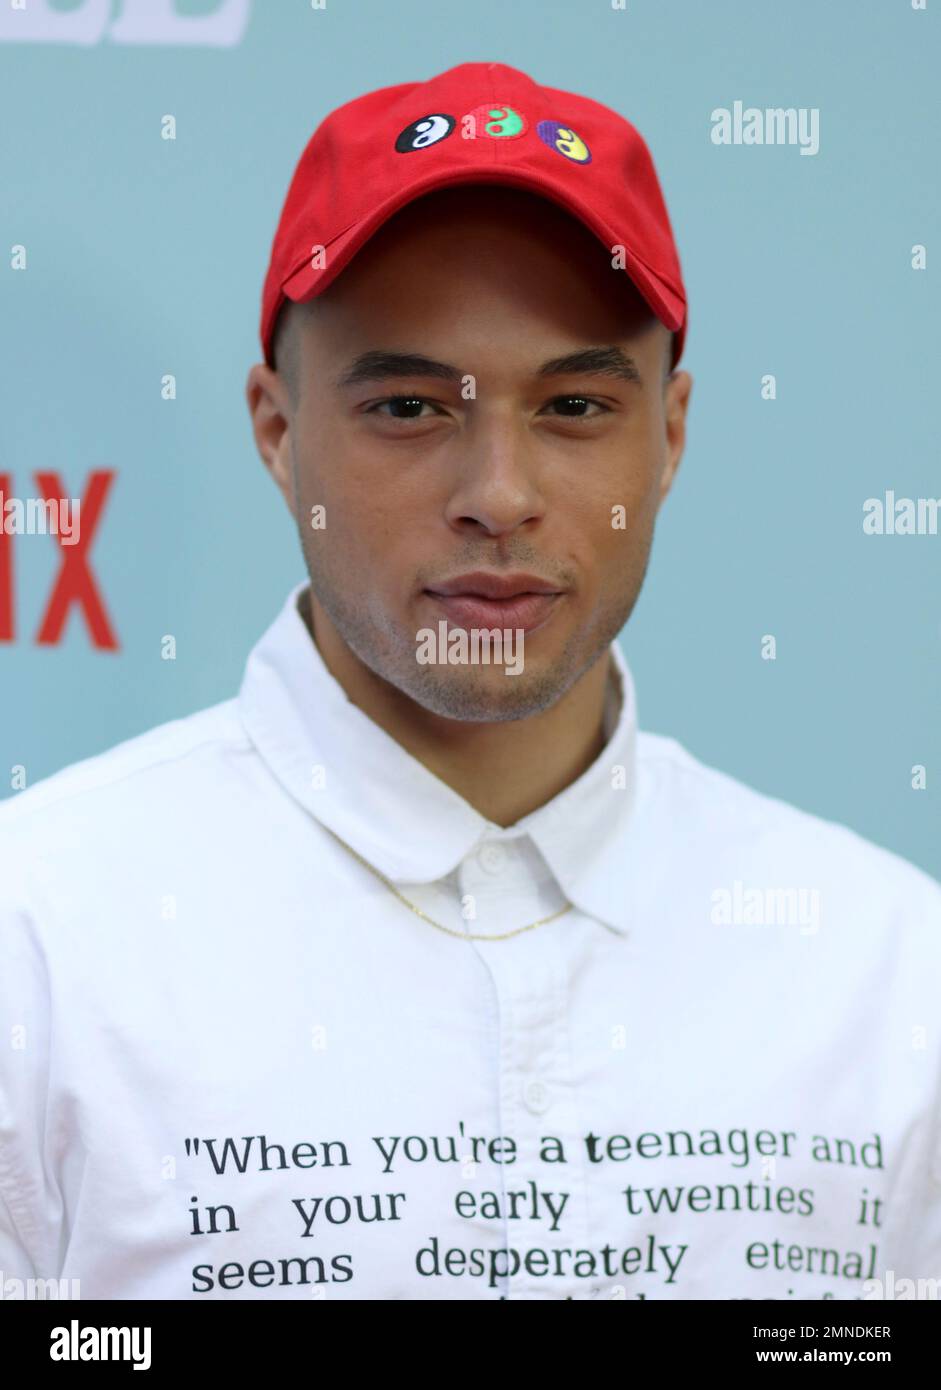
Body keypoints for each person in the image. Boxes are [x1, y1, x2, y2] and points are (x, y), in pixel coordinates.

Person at [1, 61, 939, 1303]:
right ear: (276, 432)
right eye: (405, 404)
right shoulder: (40, 942)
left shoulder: (884, 970)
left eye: (572, 404)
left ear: (668, 434)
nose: (497, 493)